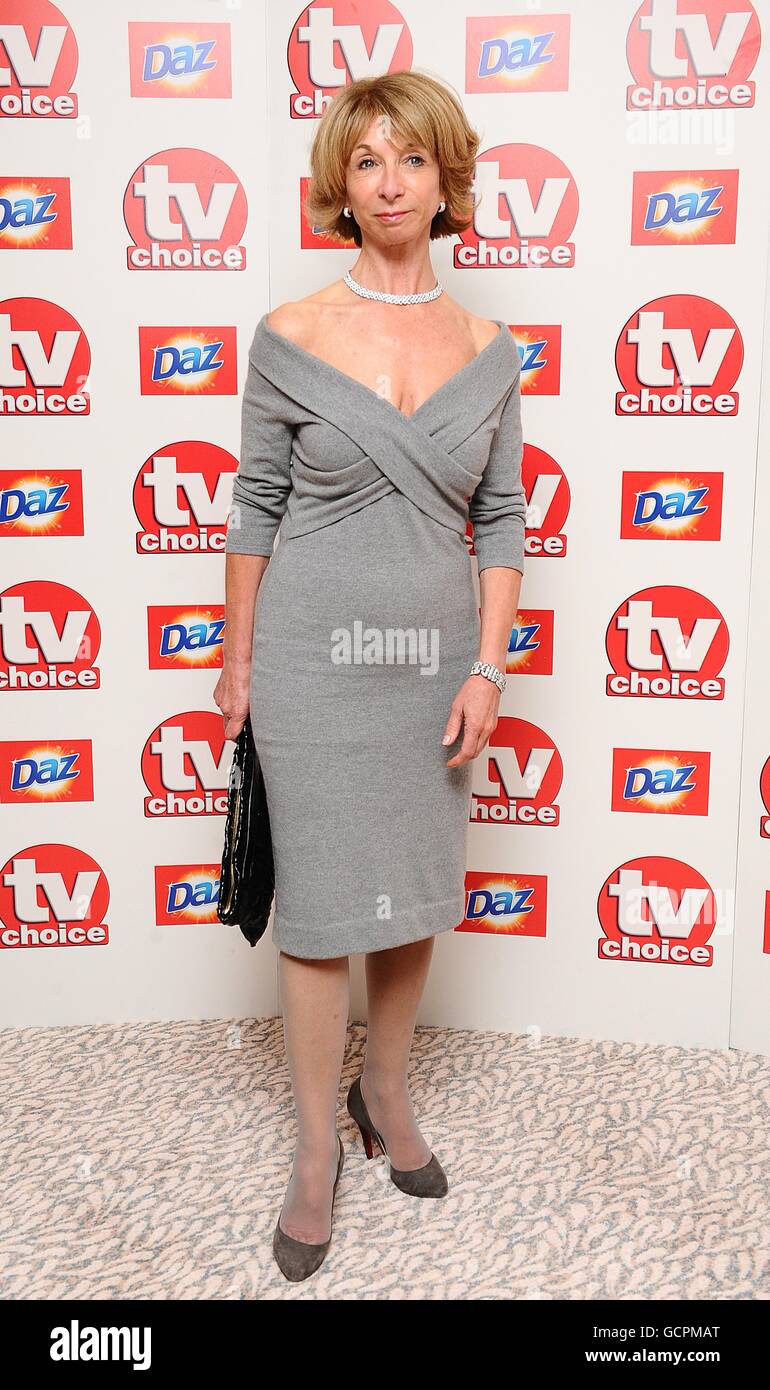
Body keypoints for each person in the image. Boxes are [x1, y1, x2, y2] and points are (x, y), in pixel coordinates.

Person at [214, 69, 526, 1282]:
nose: (389, 182)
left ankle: (385, 1098)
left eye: (411, 158)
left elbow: (498, 521)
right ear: (339, 186)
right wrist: (237, 658)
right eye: (366, 161)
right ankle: (310, 1151)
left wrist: (489, 670)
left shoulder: (490, 349)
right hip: (310, 656)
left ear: (447, 175)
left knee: (412, 893)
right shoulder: (290, 334)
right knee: (322, 912)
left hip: (432, 665)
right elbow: (253, 506)